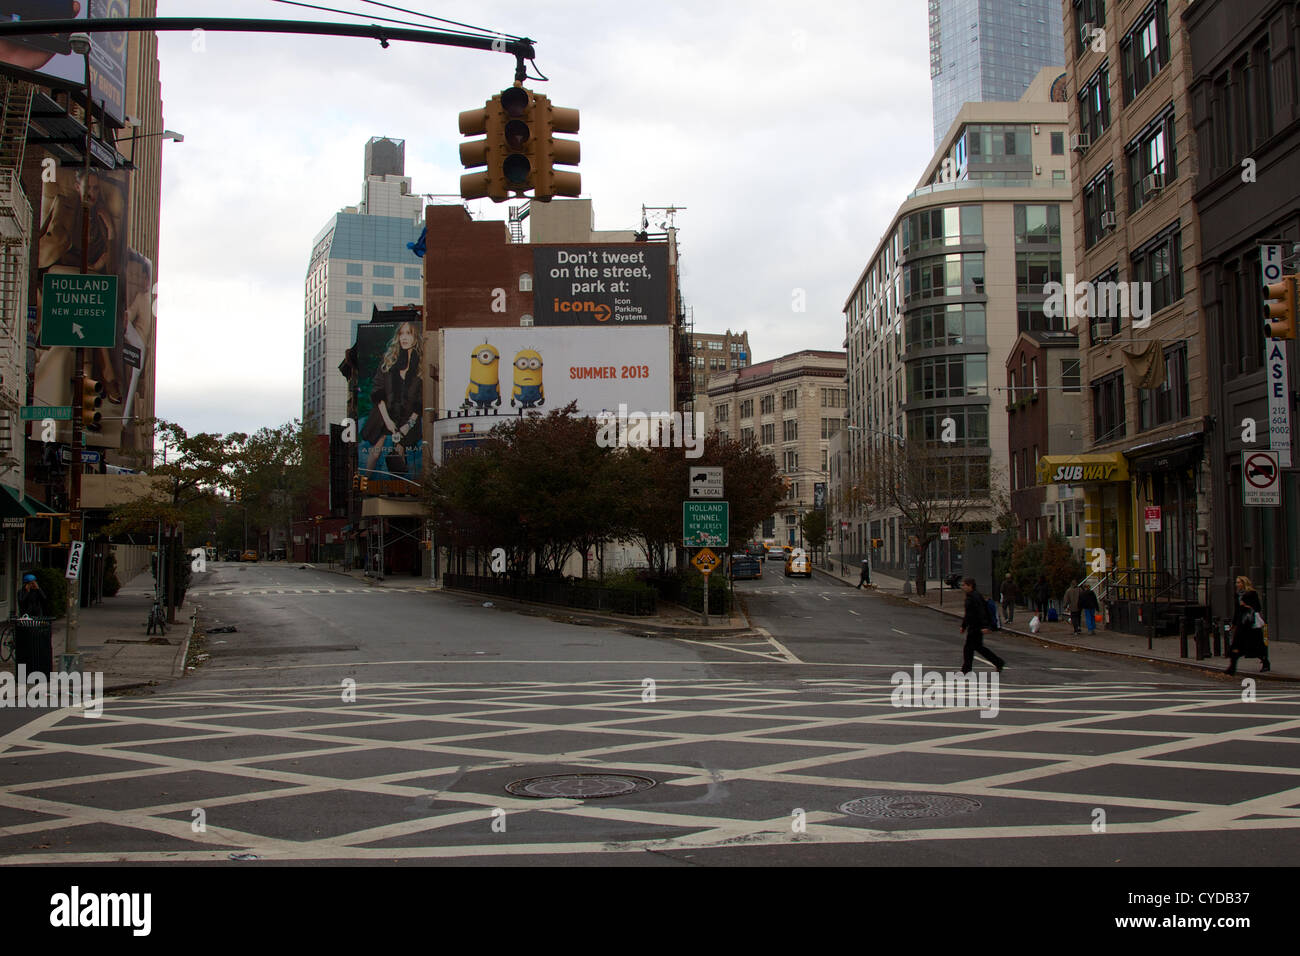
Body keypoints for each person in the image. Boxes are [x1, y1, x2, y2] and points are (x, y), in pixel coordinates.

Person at [361, 321, 422, 478]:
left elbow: (419, 402)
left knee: (400, 454)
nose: (404, 337)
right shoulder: (389, 361)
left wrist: (409, 425)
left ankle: (399, 489)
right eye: (401, 334)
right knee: (375, 452)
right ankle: (364, 487)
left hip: (407, 417)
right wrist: (387, 420)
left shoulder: (421, 366)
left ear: (415, 337)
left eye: (408, 333)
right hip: (385, 414)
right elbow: (377, 391)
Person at [959, 576, 1005, 674]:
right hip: (974, 626)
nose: (962, 587)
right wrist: (964, 625)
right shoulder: (971, 596)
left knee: (969, 648)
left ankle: (966, 669)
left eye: (964, 585)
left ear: (970, 586)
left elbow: (982, 612)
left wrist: (985, 626)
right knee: (977, 648)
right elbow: (968, 614)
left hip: (976, 626)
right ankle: (998, 662)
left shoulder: (975, 596)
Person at [1226, 576, 1270, 674]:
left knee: (1256, 645)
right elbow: (1236, 611)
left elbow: (1258, 608)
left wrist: (1246, 606)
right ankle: (1232, 667)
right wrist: (1233, 624)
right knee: (1236, 644)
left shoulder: (1252, 593)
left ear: (1244, 583)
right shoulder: (1237, 595)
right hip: (1241, 623)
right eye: (1236, 583)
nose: (1237, 585)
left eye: (1239, 582)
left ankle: (1265, 662)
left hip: (1251, 624)